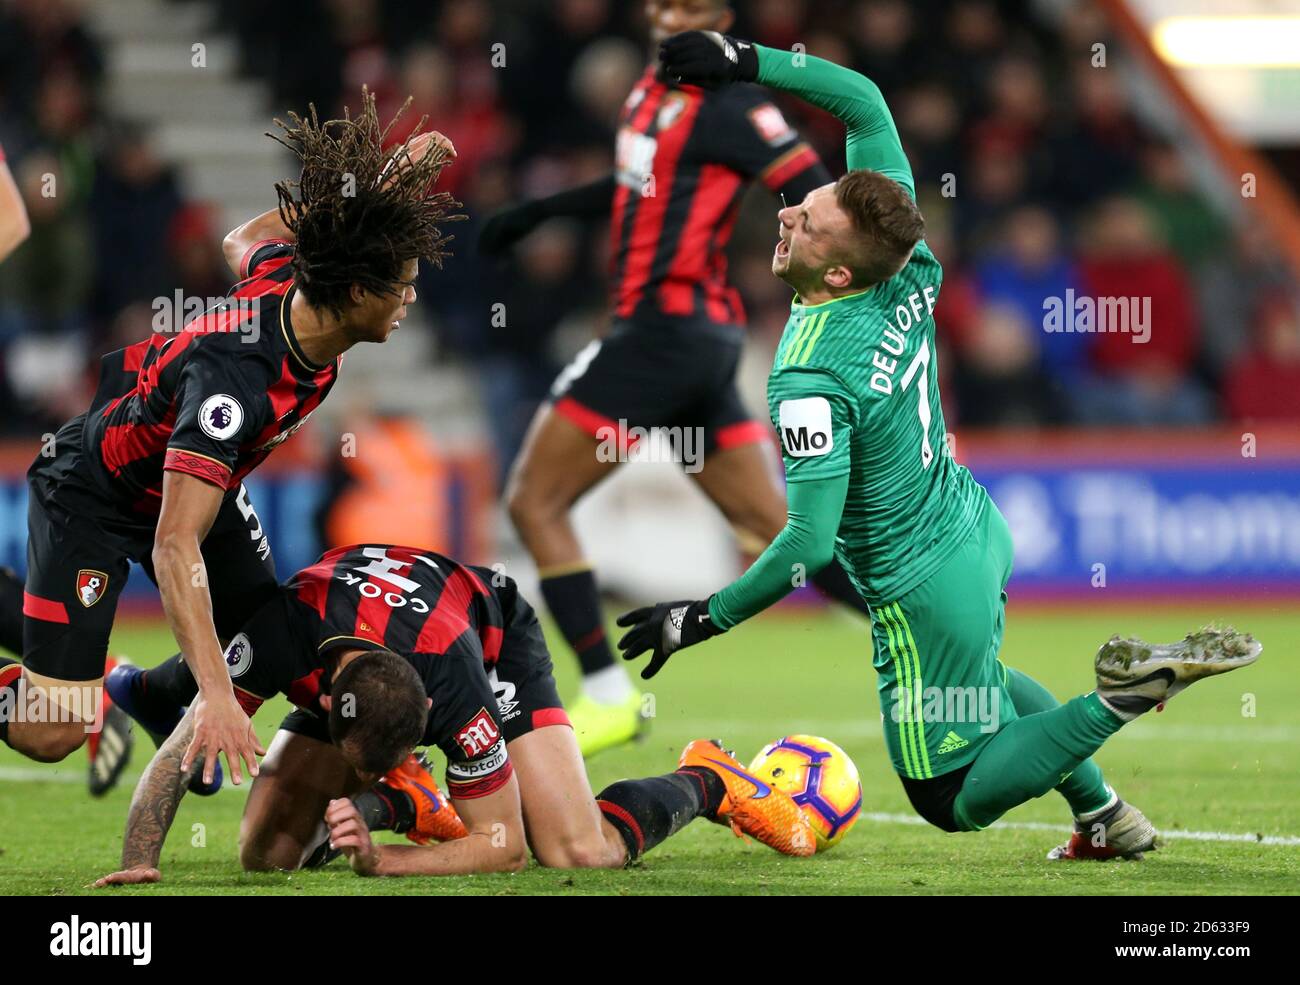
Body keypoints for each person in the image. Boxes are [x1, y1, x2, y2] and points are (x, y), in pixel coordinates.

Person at [617, 31, 1262, 860]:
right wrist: (743, 62)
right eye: (800, 204)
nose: (785, 212)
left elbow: (809, 545)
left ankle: (1121, 699)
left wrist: (702, 617)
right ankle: (1104, 814)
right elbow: (865, 100)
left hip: (921, 589)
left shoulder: (809, 377)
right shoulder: (906, 250)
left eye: (807, 222)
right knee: (984, 689)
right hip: (971, 524)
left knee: (951, 796)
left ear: (840, 274)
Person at [0, 91, 460, 797]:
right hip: (94, 493)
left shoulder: (294, 277)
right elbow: (174, 544)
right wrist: (216, 694)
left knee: (277, 639)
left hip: (192, 486)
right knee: (53, 729)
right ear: (357, 292)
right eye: (400, 285)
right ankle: (147, 692)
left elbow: (238, 238)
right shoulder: (236, 385)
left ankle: (163, 698)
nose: (410, 299)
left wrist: (380, 185)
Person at [481, 0, 870, 758]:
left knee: (534, 500)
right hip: (690, 346)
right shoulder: (647, 91)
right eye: (660, 1)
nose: (668, 14)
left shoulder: (734, 105)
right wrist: (545, 210)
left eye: (687, 4)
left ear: (719, 13)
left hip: (661, 333)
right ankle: (924, 634)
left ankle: (606, 691)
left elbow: (819, 190)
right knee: (774, 535)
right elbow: (637, 188)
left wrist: (822, 281)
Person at [96, 543, 813, 885]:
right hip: (360, 651)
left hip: (493, 631)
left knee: (576, 849)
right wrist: (138, 864)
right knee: (267, 855)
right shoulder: (282, 632)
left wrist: (389, 863)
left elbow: (504, 846)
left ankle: (708, 777)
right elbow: (175, 751)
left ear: (432, 718)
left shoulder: (458, 685)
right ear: (322, 710)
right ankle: (402, 796)